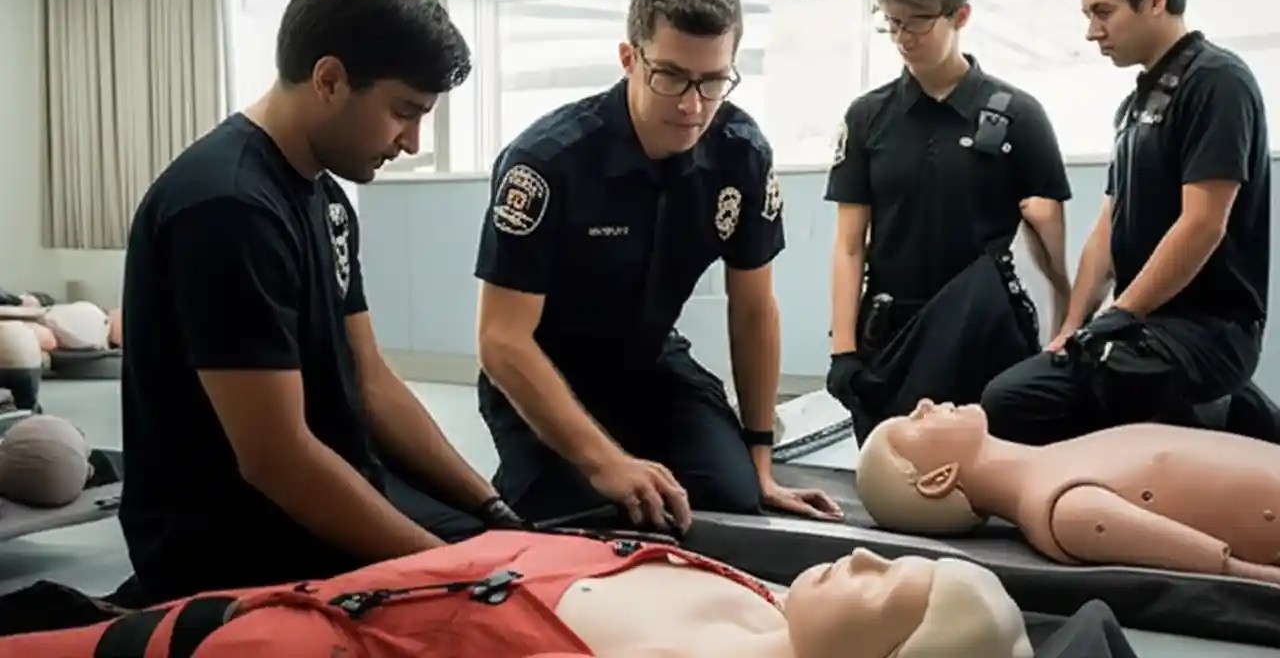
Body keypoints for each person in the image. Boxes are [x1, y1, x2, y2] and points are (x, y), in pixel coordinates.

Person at [115, 0, 520, 607]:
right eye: (403, 112)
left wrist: (494, 507)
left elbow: (372, 383)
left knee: (519, 556)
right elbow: (275, 460)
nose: (412, 142)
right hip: (235, 543)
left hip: (331, 492)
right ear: (329, 79)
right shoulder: (227, 207)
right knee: (491, 602)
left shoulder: (325, 197)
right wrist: (450, 575)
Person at [473, 0, 841, 531]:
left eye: (713, 80)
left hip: (650, 363)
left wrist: (761, 462)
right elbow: (501, 340)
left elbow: (753, 310)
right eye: (670, 76)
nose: (692, 105)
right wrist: (606, 463)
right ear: (629, 58)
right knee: (582, 519)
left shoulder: (740, 153)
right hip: (545, 373)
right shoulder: (546, 163)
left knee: (732, 498)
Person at [981, 0, 1272, 445]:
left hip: (1210, 330)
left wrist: (1117, 317)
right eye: (1088, 15)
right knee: (1033, 380)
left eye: (1103, 12)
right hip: (1148, 328)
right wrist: (1072, 329)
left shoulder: (1217, 82)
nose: (1092, 31)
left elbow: (1203, 224)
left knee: (1014, 401)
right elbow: (1107, 230)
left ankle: (1223, 416)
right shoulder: (1133, 108)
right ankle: (1231, 417)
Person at [0, 529, 1052, 658]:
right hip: (372, 588)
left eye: (885, 583)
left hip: (326, 639)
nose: (859, 554)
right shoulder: (777, 608)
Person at [825, 0, 1073, 444]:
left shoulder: (1020, 116)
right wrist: (843, 351)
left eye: (917, 22)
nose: (902, 37)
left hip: (984, 334)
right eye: (892, 22)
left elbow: (1053, 254)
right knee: (894, 480)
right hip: (891, 335)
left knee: (986, 480)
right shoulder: (867, 117)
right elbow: (850, 244)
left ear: (960, 15)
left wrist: (1061, 336)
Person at [858, 397, 1280, 585]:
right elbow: (1226, 568)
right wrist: (1260, 578)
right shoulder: (1059, 508)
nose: (924, 404)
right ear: (939, 479)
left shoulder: (1054, 465)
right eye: (913, 422)